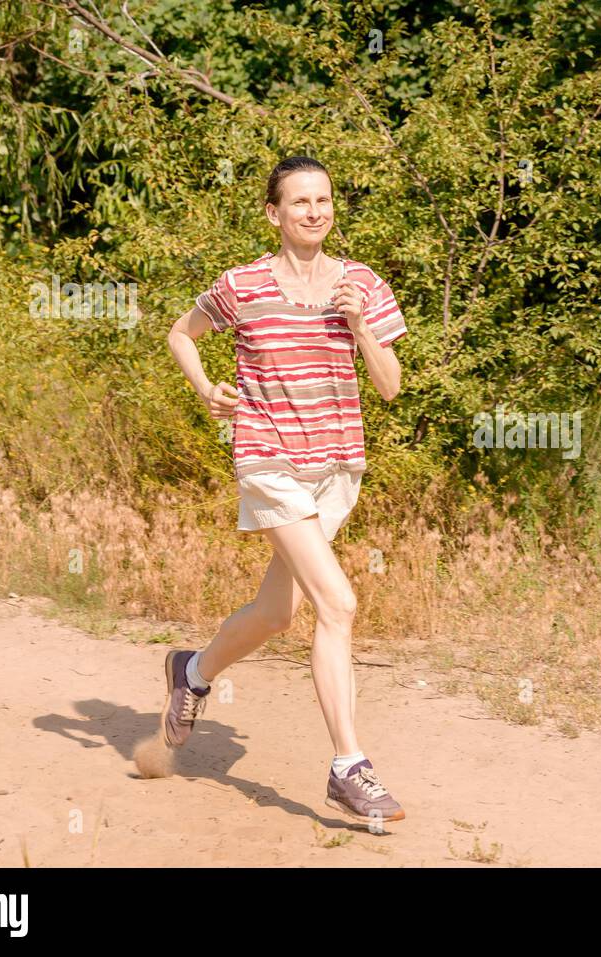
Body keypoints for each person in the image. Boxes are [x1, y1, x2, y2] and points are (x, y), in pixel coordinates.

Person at [163, 155, 407, 825]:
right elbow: (181, 333)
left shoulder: (362, 284)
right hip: (268, 461)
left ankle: (192, 672)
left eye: (324, 199)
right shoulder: (243, 285)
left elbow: (390, 385)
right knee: (339, 601)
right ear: (274, 213)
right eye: (300, 202)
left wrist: (360, 325)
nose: (315, 211)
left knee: (279, 613)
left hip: (335, 471)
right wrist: (206, 388)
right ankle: (348, 766)